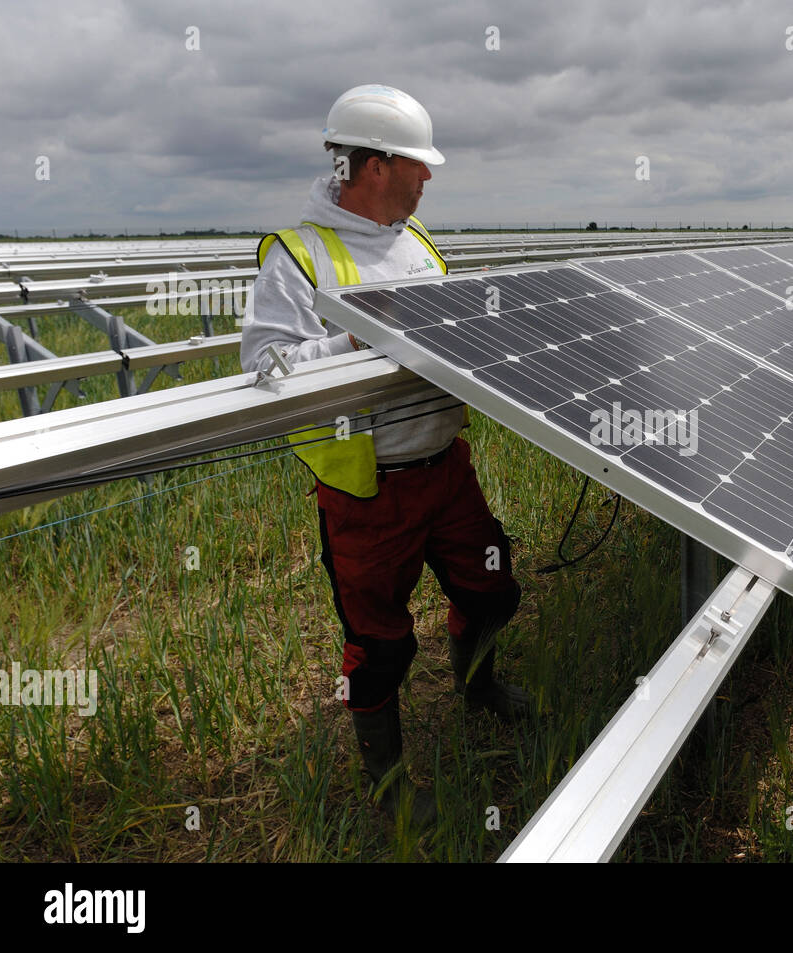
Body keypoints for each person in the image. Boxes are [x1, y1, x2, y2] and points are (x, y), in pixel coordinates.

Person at [240, 84, 533, 828]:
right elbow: (266, 364)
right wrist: (354, 340)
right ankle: (389, 784)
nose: (427, 178)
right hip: (369, 491)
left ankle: (477, 685)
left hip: (446, 468)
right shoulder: (299, 256)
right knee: (377, 645)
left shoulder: (416, 239)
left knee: (492, 587)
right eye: (416, 165)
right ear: (373, 167)